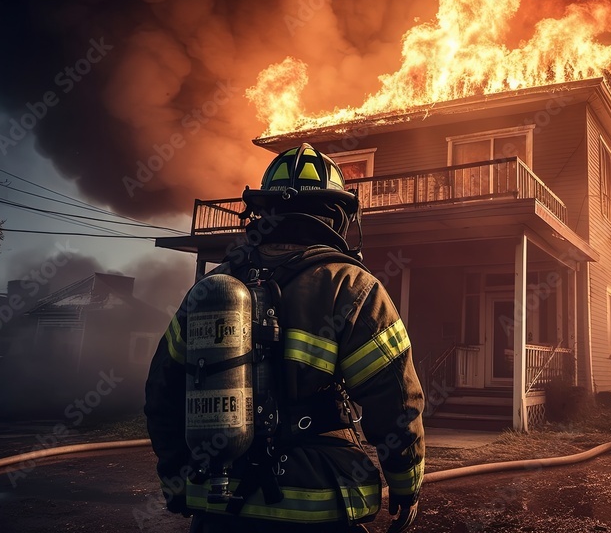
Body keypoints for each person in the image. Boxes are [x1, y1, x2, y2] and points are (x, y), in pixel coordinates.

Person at [145, 143, 425, 532]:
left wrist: (176, 478)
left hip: (220, 504)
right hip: (318, 507)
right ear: (338, 215)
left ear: (263, 211)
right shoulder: (353, 287)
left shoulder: (214, 287)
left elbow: (163, 391)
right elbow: (394, 400)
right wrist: (405, 484)